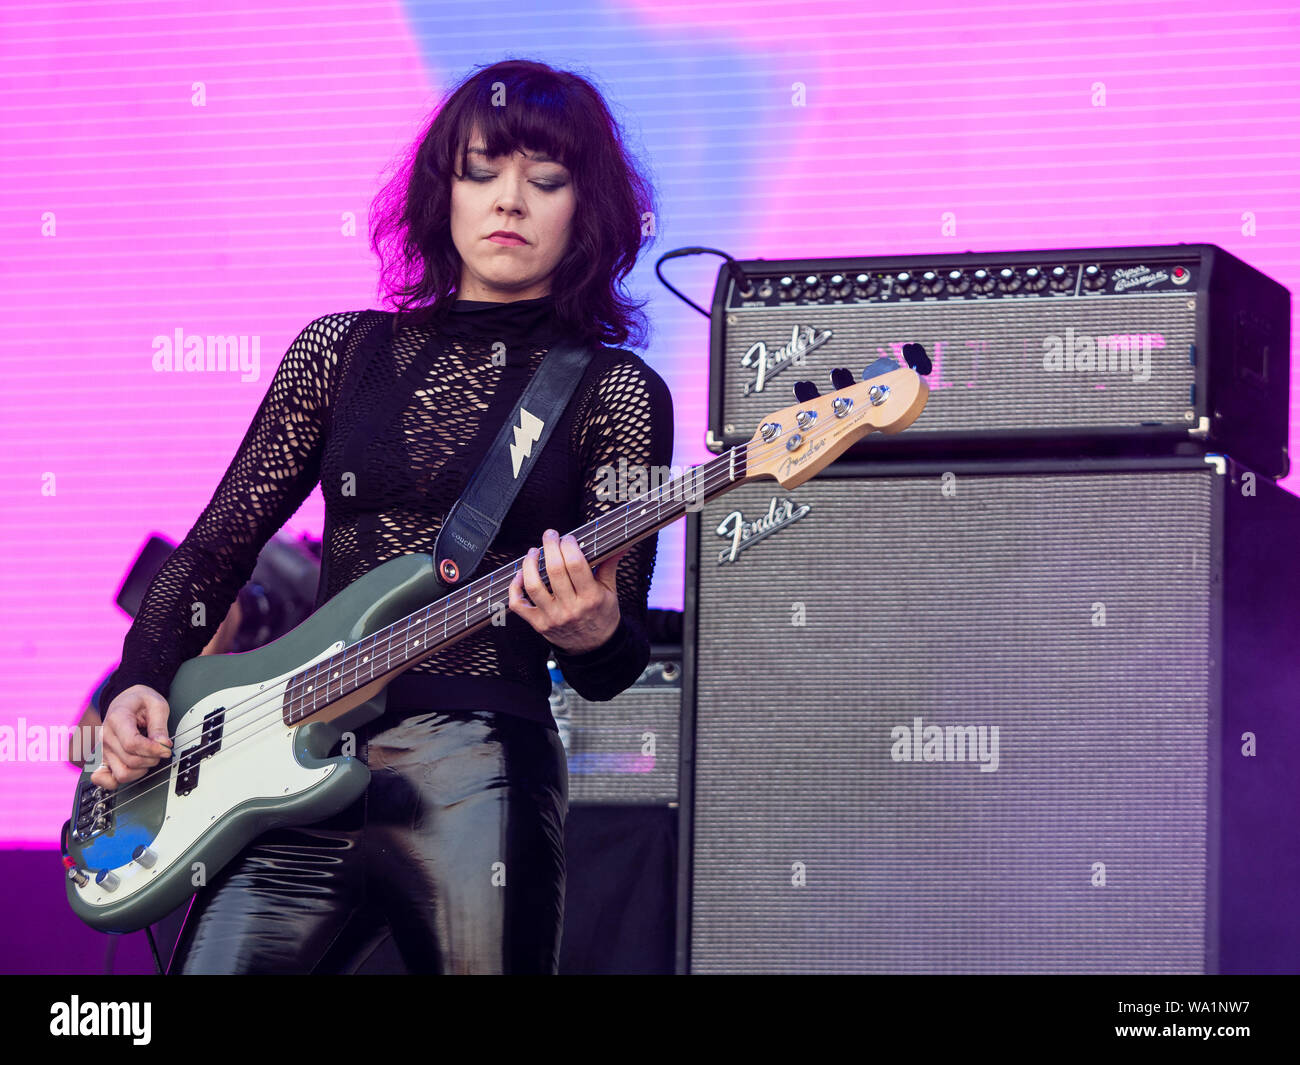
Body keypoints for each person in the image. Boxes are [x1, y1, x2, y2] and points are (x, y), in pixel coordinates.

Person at [92, 58, 674, 974]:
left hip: (479, 772)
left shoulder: (617, 394)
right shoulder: (339, 354)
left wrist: (595, 628)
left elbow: (616, 651)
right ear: (442, 194)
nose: (509, 202)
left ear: (586, 208)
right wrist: (144, 678)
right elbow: (216, 551)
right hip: (283, 763)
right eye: (481, 172)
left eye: (545, 179)